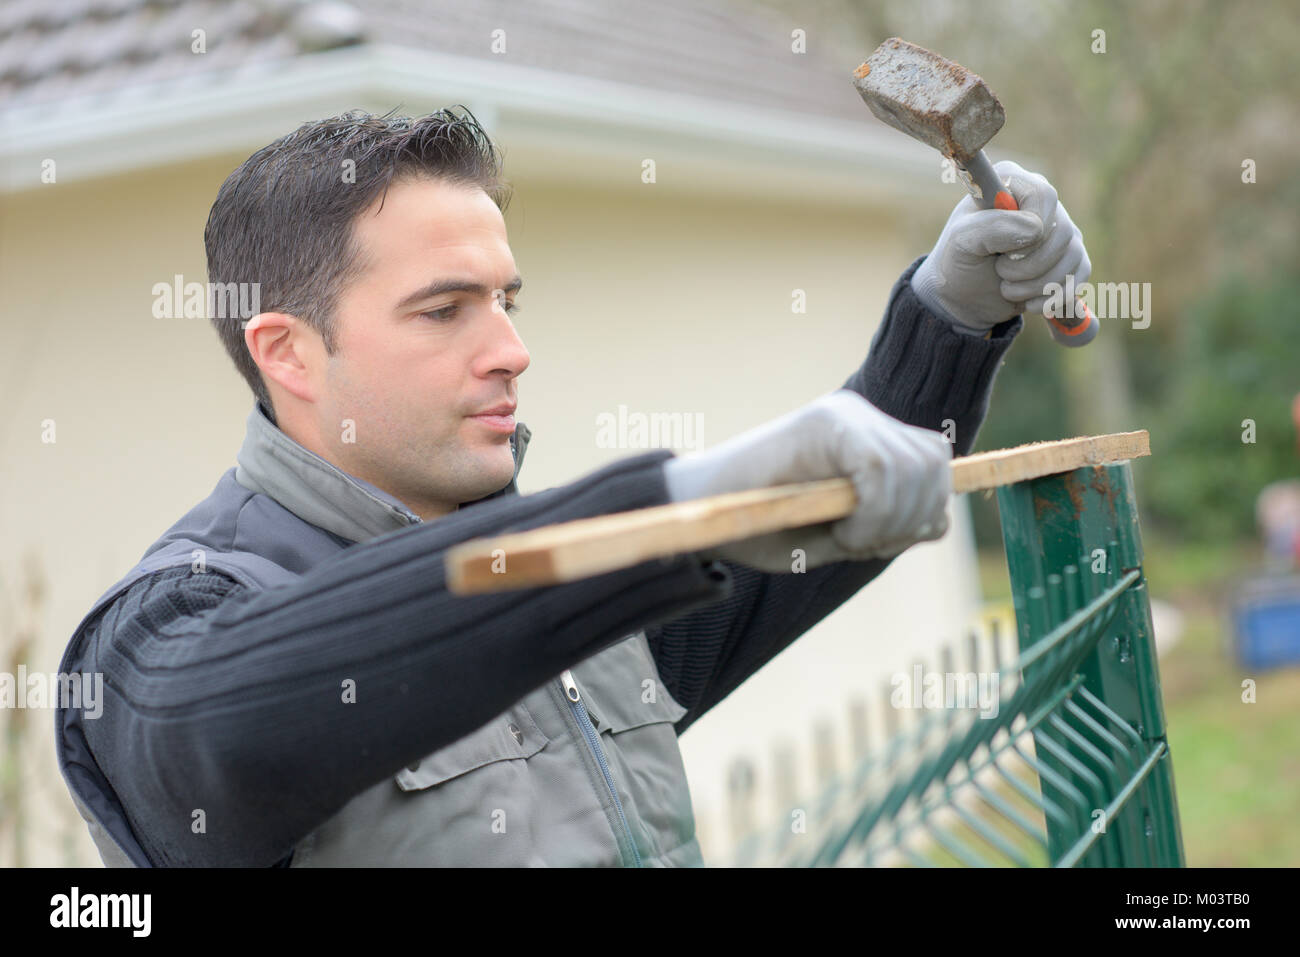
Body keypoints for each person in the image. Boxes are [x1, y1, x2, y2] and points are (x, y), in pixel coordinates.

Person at [54, 107, 1090, 867]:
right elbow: (239, 714)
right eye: (445, 308)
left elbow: (836, 504)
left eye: (505, 300)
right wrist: (652, 515)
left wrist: (949, 314)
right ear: (287, 354)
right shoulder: (169, 632)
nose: (512, 349)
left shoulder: (584, 580)